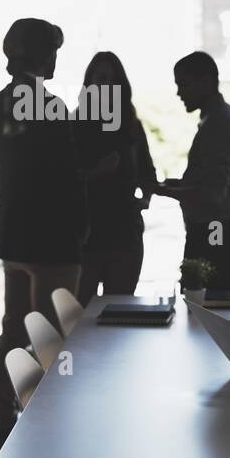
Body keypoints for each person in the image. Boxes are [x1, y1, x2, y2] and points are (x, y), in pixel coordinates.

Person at [0, 17, 87, 452]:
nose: (57, 58)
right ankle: (45, 428)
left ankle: (3, 418)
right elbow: (67, 177)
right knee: (49, 338)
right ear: (44, 54)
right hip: (53, 240)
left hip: (14, 236)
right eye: (54, 51)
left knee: (12, 331)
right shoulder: (49, 105)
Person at [152, 51, 230, 293]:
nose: (179, 93)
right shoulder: (222, 118)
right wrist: (171, 187)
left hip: (214, 233)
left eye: (184, 84)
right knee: (207, 314)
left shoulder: (218, 124)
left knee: (205, 313)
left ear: (206, 81)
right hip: (218, 232)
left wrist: (165, 190)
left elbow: (212, 194)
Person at [73, 52, 157, 303]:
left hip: (124, 233)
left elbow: (147, 172)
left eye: (112, 79)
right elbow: (62, 180)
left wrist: (146, 198)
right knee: (78, 320)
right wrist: (96, 172)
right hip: (87, 234)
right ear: (89, 82)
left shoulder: (130, 125)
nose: (106, 85)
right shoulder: (75, 124)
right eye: (100, 78)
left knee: (119, 314)